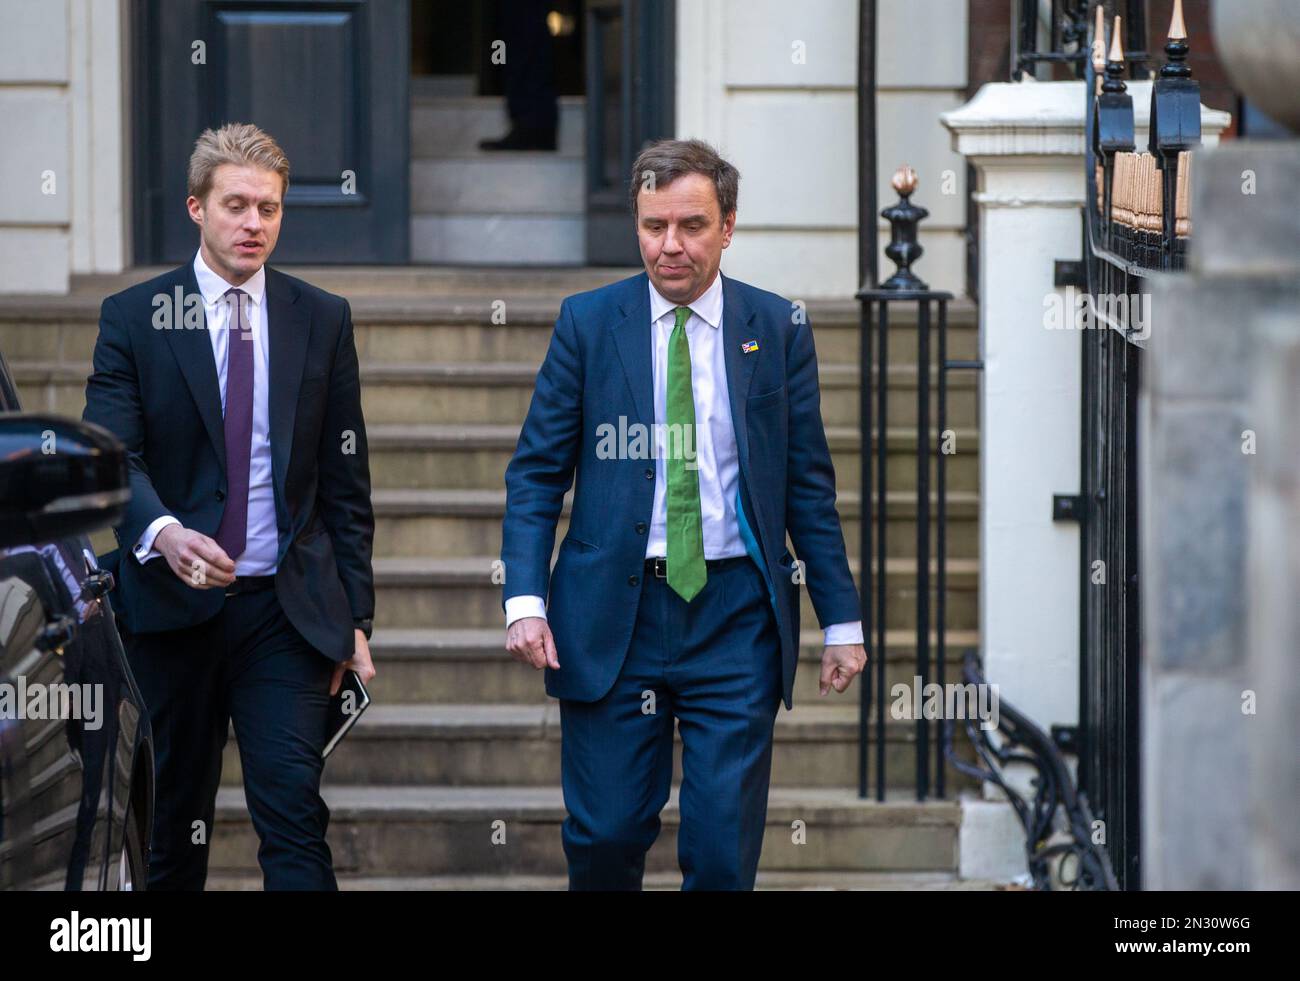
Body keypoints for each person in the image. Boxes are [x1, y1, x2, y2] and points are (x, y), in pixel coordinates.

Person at [501, 138, 868, 890]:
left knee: (722, 852)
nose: (670, 245)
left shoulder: (776, 327)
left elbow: (807, 485)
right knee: (604, 838)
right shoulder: (587, 322)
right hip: (612, 613)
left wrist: (842, 619)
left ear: (728, 225)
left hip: (734, 614)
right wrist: (525, 600)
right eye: (653, 225)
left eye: (691, 225)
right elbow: (537, 472)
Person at [83, 122, 376, 890]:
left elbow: (346, 485)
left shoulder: (321, 316)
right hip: (170, 610)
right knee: (172, 826)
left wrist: (357, 620)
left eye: (269, 209)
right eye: (237, 205)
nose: (254, 224)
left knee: (293, 817)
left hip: (284, 612)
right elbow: (115, 458)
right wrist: (165, 532)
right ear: (196, 208)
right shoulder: (134, 317)